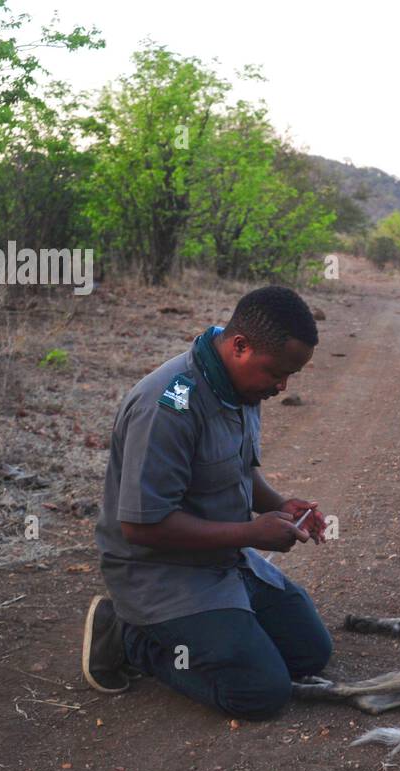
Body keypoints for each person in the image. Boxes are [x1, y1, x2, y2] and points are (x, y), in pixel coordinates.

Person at [82, 285, 332, 720]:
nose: (282, 386)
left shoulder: (241, 387)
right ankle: (128, 636)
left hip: (222, 561)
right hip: (160, 574)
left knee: (310, 654)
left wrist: (281, 504)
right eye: (276, 372)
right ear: (239, 346)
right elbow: (142, 527)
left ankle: (220, 629)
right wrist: (251, 533)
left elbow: (237, 469)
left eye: (290, 376)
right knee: (261, 693)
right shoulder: (167, 404)